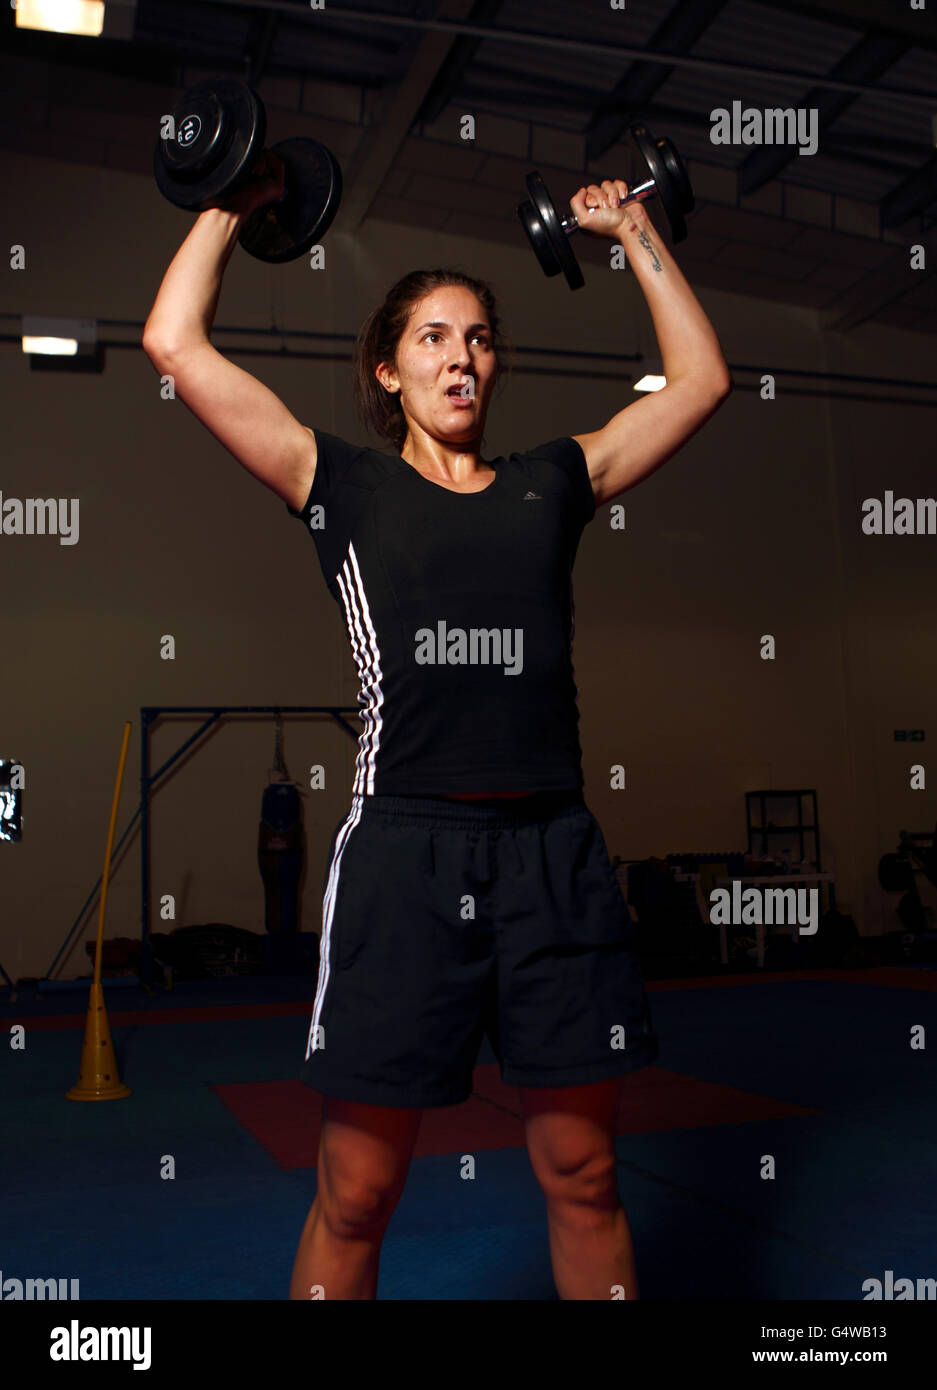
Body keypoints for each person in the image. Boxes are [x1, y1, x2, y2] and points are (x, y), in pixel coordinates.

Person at [143, 154, 731, 1302]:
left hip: (551, 857)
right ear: (387, 368)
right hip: (405, 856)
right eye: (432, 337)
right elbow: (174, 342)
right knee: (358, 1191)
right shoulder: (339, 486)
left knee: (584, 1169)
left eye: (477, 337)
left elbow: (701, 381)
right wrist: (239, 197)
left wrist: (633, 233)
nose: (461, 355)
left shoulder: (552, 481)